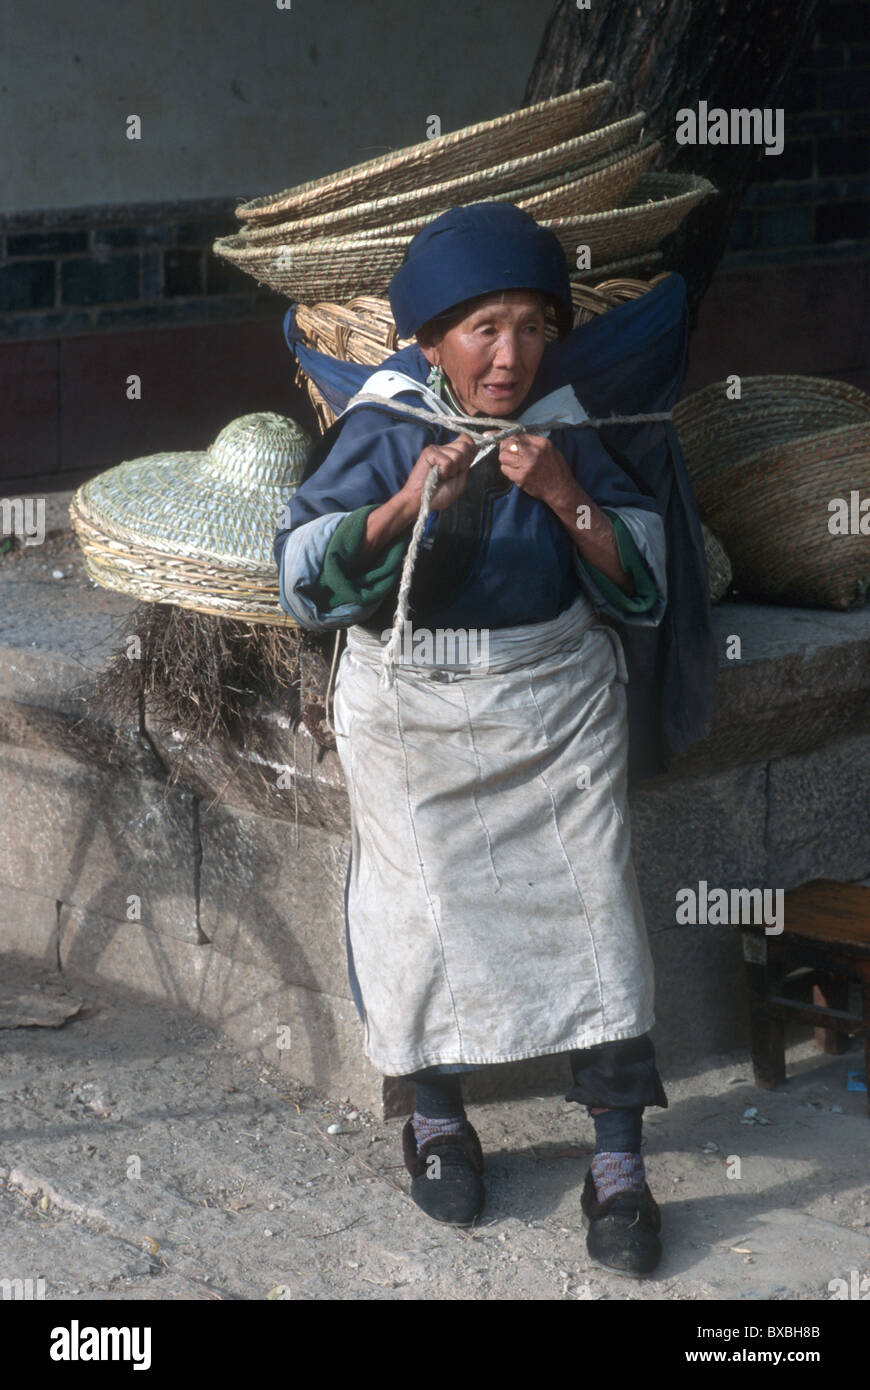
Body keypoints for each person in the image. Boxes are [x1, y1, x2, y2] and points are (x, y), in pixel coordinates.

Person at [274, 203, 671, 1277]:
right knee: (419, 909)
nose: (511, 356)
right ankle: (439, 1122)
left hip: (553, 706)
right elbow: (302, 575)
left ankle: (621, 1164)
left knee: (597, 906)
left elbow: (644, 584)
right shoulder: (383, 427)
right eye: (484, 329)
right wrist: (406, 504)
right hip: (413, 717)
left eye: (533, 327)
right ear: (430, 341)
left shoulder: (570, 428)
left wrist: (563, 493)